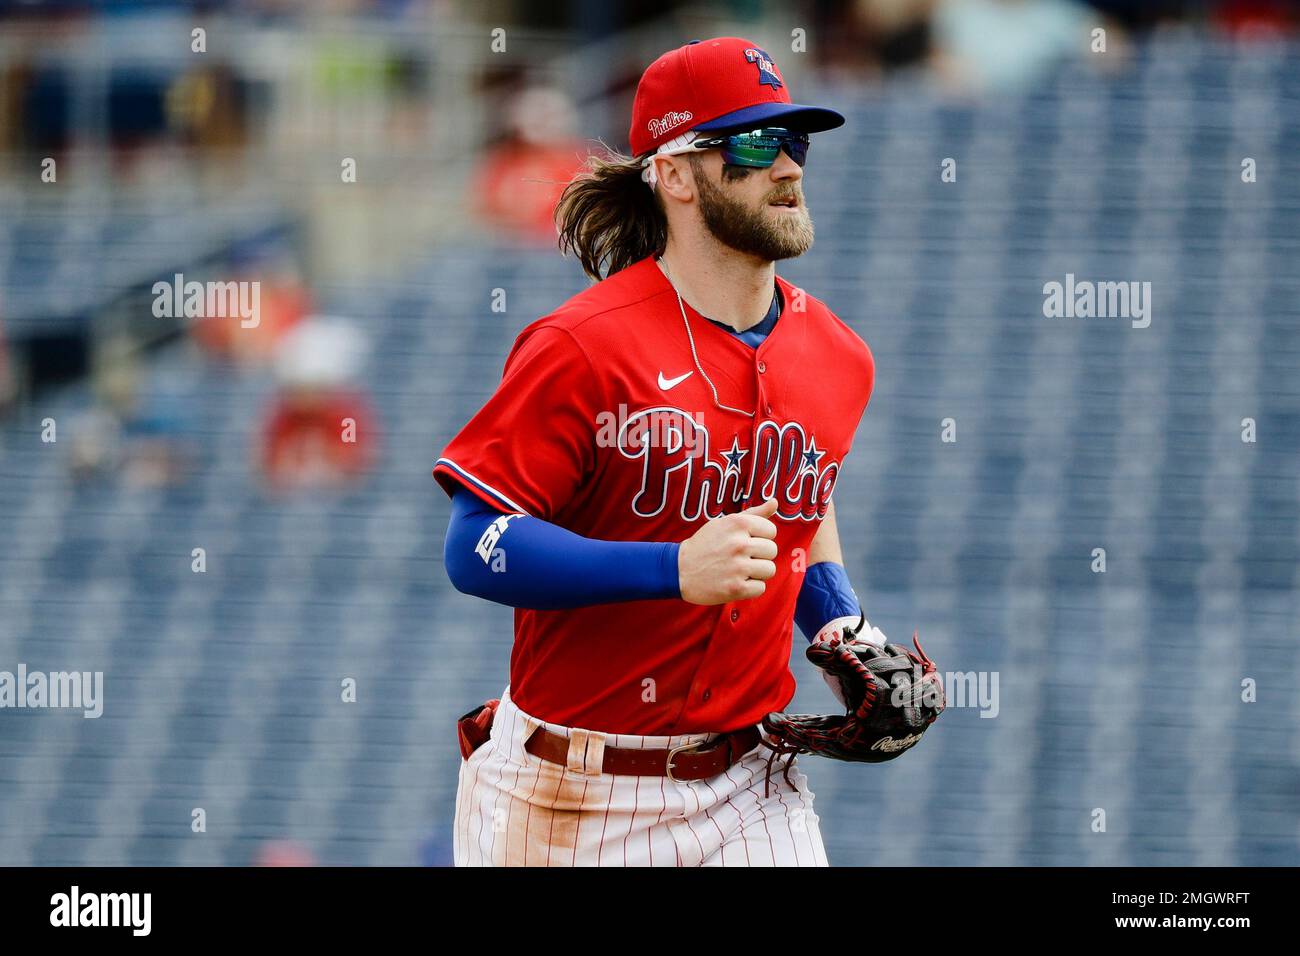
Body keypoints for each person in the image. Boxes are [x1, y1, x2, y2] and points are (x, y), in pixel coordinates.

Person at [434, 37, 887, 867]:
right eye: (753, 144)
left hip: (754, 783)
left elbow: (803, 496)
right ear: (675, 173)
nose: (787, 167)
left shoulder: (838, 355)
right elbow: (473, 546)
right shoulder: (580, 345)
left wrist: (842, 627)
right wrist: (670, 570)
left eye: (795, 142)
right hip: (567, 794)